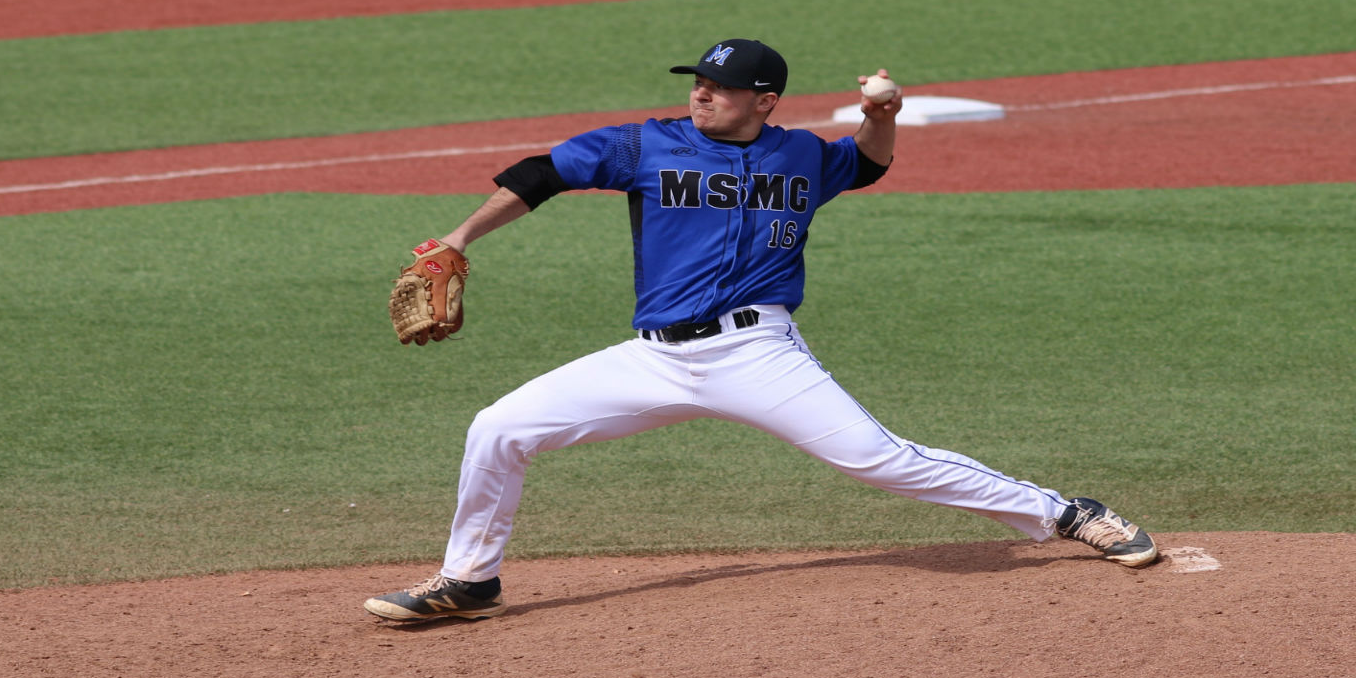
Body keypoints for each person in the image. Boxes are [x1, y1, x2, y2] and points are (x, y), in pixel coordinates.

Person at [366, 39, 1159, 623]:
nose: (702, 95)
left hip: (757, 351)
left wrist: (883, 115)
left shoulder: (802, 156)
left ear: (764, 101)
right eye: (699, 83)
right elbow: (541, 174)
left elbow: (870, 163)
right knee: (499, 428)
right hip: (654, 359)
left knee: (880, 460)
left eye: (721, 87)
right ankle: (470, 579)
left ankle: (1066, 513)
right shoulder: (646, 143)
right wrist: (462, 239)